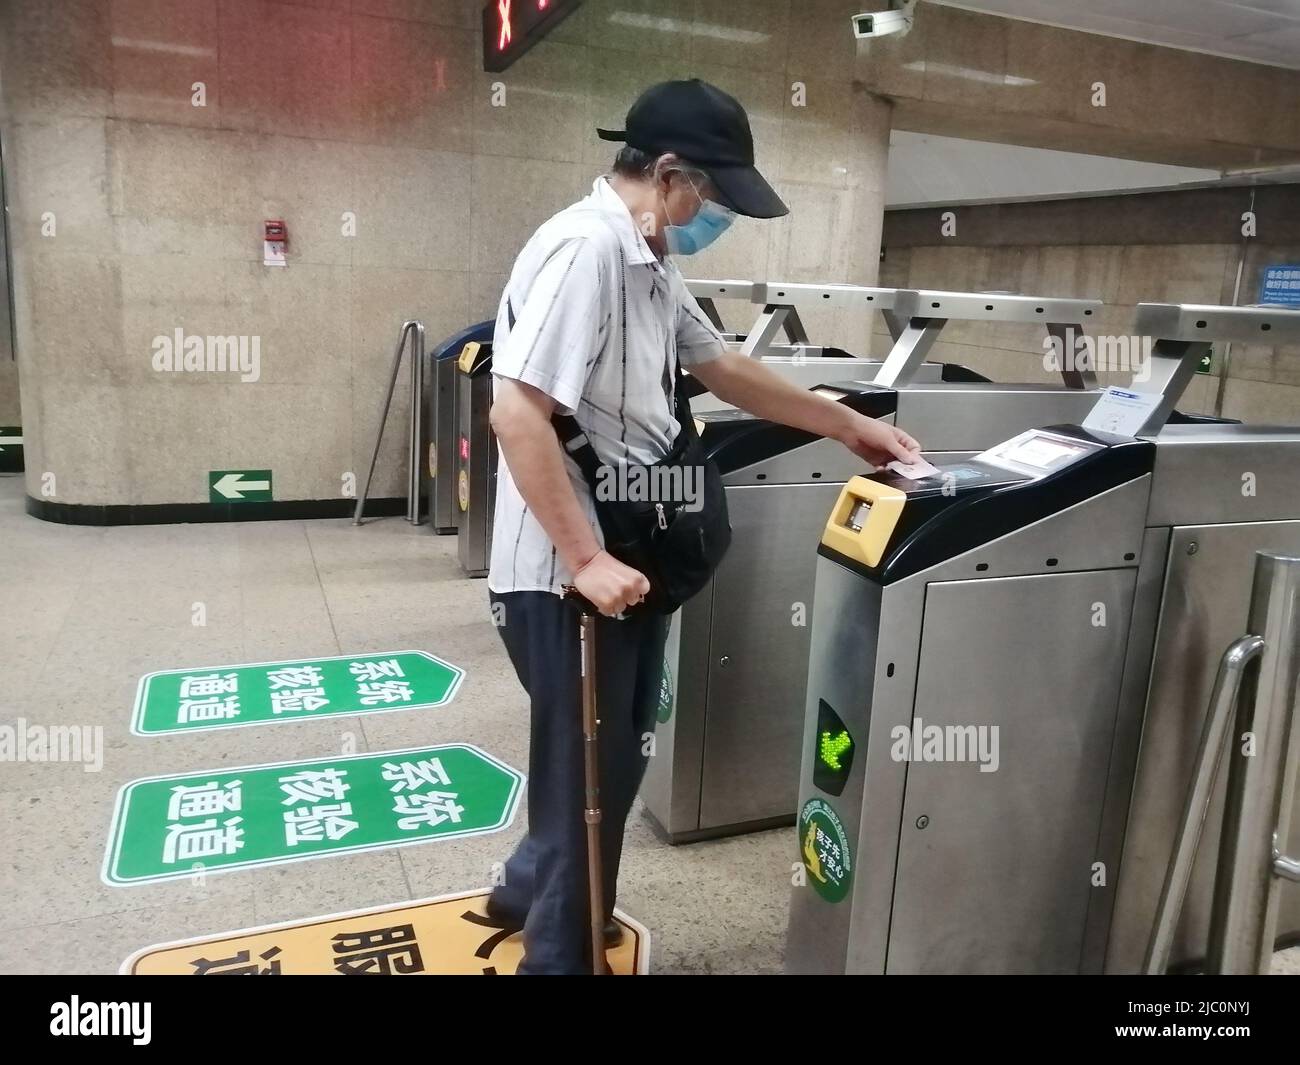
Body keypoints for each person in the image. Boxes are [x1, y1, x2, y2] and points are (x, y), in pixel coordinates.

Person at [484, 78, 921, 974]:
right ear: (671, 174)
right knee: (593, 776)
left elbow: (721, 366)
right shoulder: (586, 251)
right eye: (713, 199)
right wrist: (585, 557)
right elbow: (517, 415)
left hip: (625, 546)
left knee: (598, 747)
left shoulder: (649, 260)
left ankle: (526, 889)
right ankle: (557, 956)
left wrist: (846, 422)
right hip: (570, 570)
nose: (713, 215)